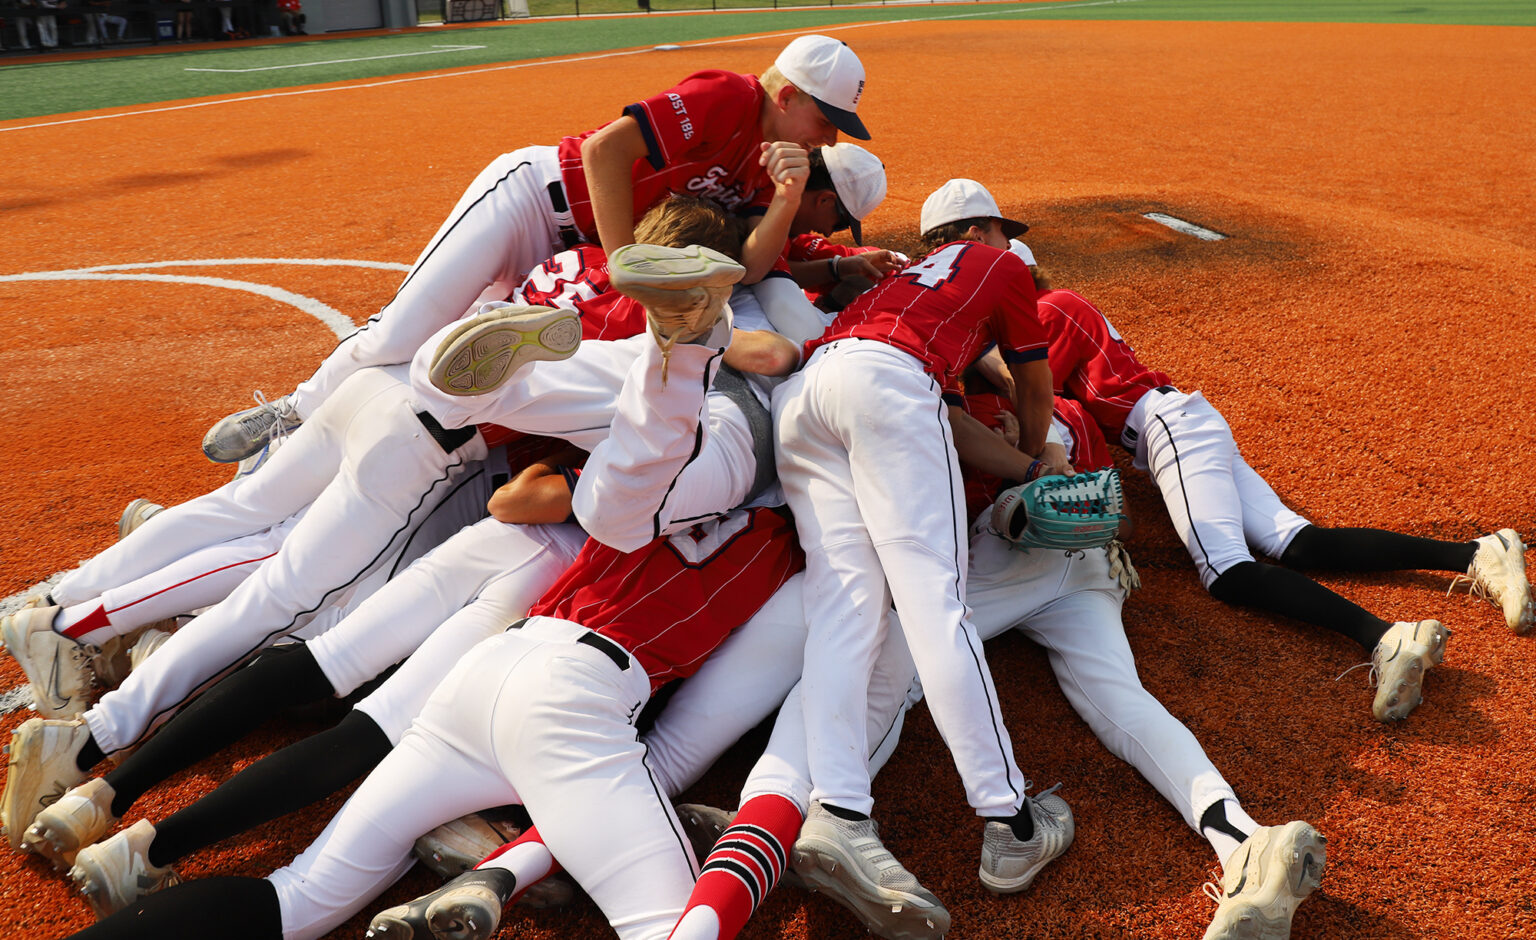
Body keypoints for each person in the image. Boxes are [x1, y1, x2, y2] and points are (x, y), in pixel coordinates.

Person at [61, 244, 805, 940]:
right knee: (632, 496)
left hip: (501, 644)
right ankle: (498, 851)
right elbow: (705, 727)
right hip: (574, 668)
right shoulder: (788, 527)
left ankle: (114, 799)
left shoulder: (594, 287)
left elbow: (522, 497)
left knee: (303, 857)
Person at [201, 34, 871, 465]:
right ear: (785, 95)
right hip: (533, 197)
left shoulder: (768, 162)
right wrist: (622, 260)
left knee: (470, 354)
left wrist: (785, 197)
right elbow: (609, 151)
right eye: (825, 121)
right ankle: (294, 409)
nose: (830, 140)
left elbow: (751, 267)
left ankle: (301, 462)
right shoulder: (730, 96)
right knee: (404, 332)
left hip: (574, 242)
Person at [1023, 278, 1532, 720]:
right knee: (1300, 543)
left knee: (1225, 571)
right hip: (1182, 423)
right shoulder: (1055, 306)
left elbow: (1026, 393)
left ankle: (1384, 637)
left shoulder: (1046, 309)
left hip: (1165, 429)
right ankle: (1474, 551)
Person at [769, 176, 1068, 906]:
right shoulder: (1001, 266)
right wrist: (1031, 467)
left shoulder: (909, 274)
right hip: (887, 383)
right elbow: (1035, 386)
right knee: (936, 606)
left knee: (846, 606)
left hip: (805, 395)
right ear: (990, 231)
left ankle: (839, 809)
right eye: (1003, 229)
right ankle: (1010, 818)